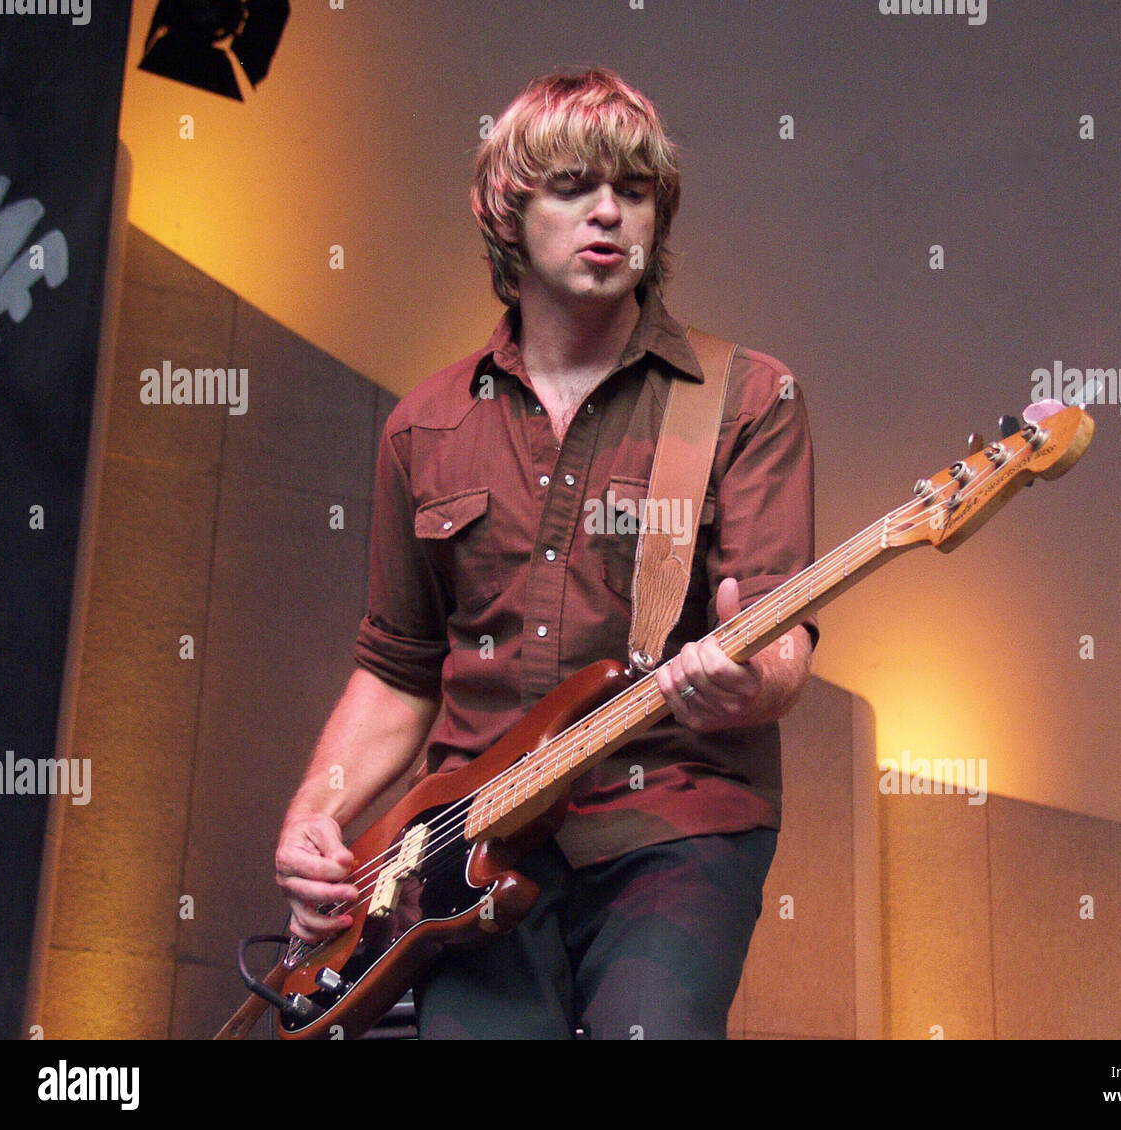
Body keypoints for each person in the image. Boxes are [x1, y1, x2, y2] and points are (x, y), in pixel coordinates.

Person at [273, 67, 819, 1039]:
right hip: (464, 837)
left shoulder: (746, 398)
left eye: (635, 189)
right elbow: (397, 670)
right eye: (572, 186)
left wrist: (754, 679)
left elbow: (776, 635)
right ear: (507, 215)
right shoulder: (425, 427)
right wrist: (315, 814)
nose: (608, 211)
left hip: (674, 823)